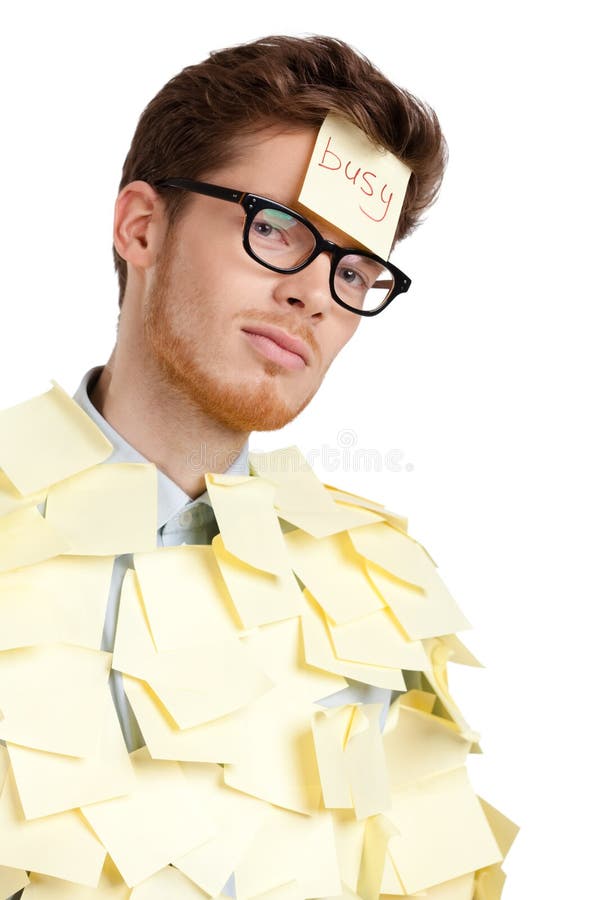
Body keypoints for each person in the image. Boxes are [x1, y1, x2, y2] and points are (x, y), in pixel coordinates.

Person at [0, 35, 514, 899]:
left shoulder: (381, 591)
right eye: (276, 228)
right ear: (141, 226)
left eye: (354, 268)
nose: (315, 293)